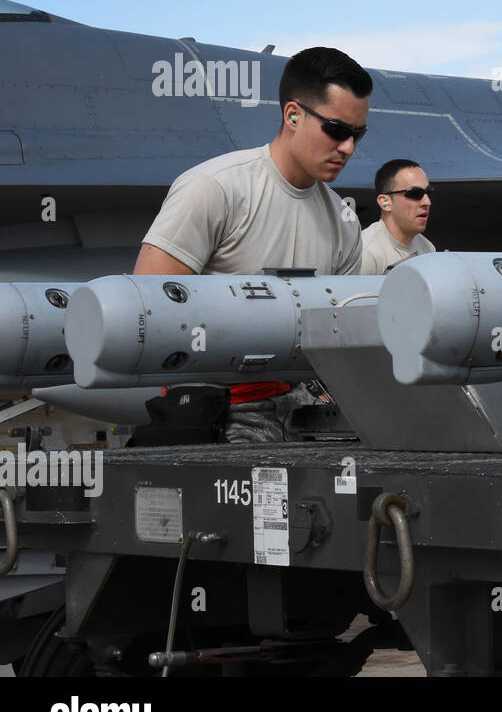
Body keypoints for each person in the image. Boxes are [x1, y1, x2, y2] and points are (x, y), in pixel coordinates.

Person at [132, 46, 373, 442]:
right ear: (292, 115)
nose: (347, 147)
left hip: (303, 411)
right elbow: (147, 311)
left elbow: (342, 335)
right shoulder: (215, 188)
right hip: (211, 411)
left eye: (357, 135)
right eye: (337, 130)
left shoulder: (344, 222)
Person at [360, 159, 437, 274]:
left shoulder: (427, 247)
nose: (427, 202)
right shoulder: (367, 254)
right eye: (415, 194)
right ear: (385, 203)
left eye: (428, 193)